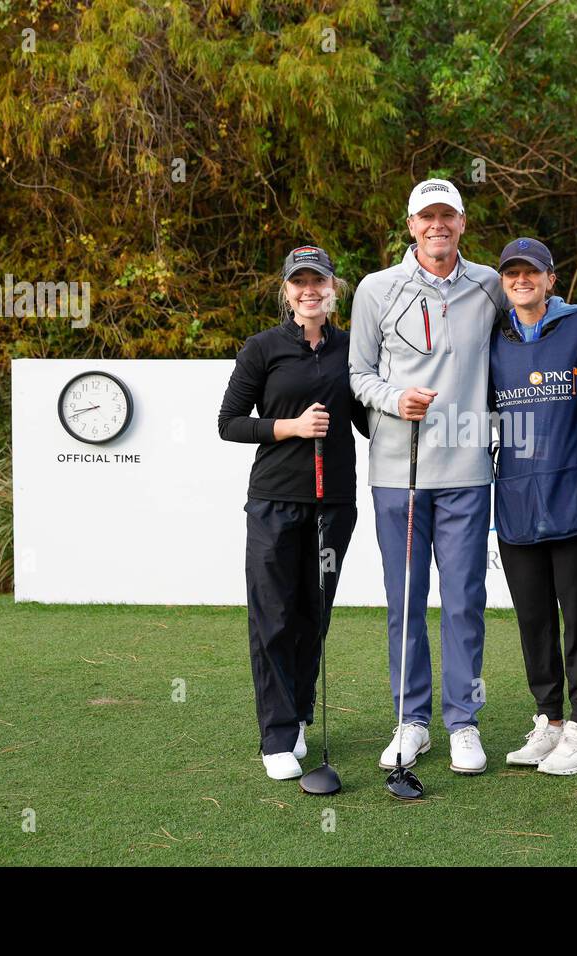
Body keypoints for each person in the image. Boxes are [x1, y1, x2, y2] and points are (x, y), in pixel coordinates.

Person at [348, 179, 504, 775]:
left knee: (465, 599)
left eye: (447, 215)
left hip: (467, 467)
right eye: (426, 217)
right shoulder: (376, 289)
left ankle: (462, 721)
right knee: (406, 601)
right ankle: (412, 721)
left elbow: (539, 314)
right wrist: (392, 397)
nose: (437, 225)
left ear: (462, 223)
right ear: (410, 226)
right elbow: (358, 372)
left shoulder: (489, 284)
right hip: (398, 470)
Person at [217, 244, 367, 781]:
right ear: (286, 291)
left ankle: (299, 711)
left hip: (335, 503)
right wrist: (290, 427)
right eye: (300, 282)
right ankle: (277, 734)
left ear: (334, 289)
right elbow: (229, 422)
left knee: (313, 613)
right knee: (273, 616)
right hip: (275, 501)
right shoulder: (263, 349)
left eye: (319, 282)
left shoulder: (354, 348)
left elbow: (370, 419)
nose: (310, 291)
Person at [490, 237, 577, 776]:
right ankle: (550, 721)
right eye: (512, 274)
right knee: (533, 620)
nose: (521, 281)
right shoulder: (494, 338)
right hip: (515, 503)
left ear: (550, 279)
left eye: (530, 273)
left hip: (574, 504)